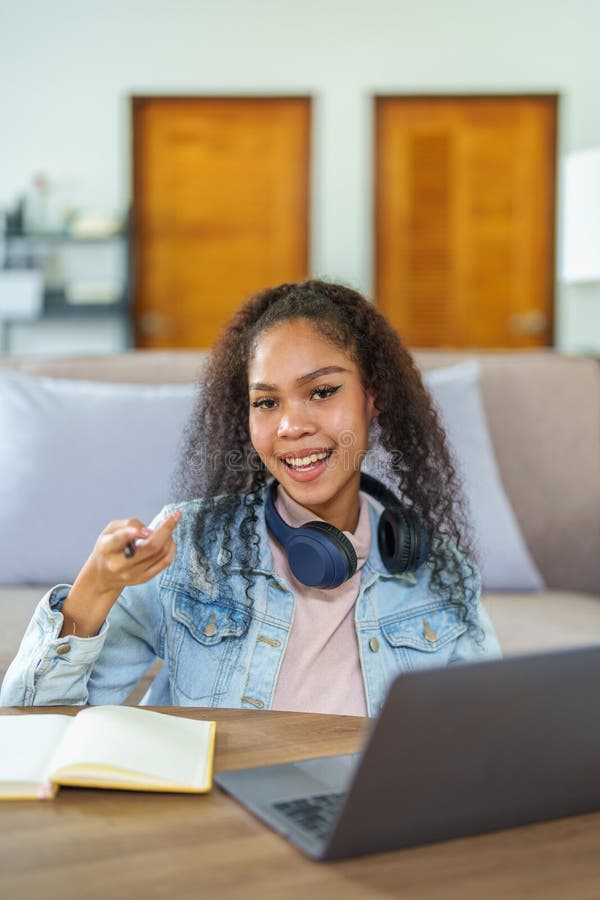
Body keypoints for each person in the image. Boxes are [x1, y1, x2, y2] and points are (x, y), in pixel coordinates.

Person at [0, 280, 500, 714]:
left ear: (373, 397)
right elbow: (37, 727)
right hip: (219, 815)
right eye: (266, 402)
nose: (291, 426)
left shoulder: (437, 571)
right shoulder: (192, 548)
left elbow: (484, 744)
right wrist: (94, 590)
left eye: (321, 392)